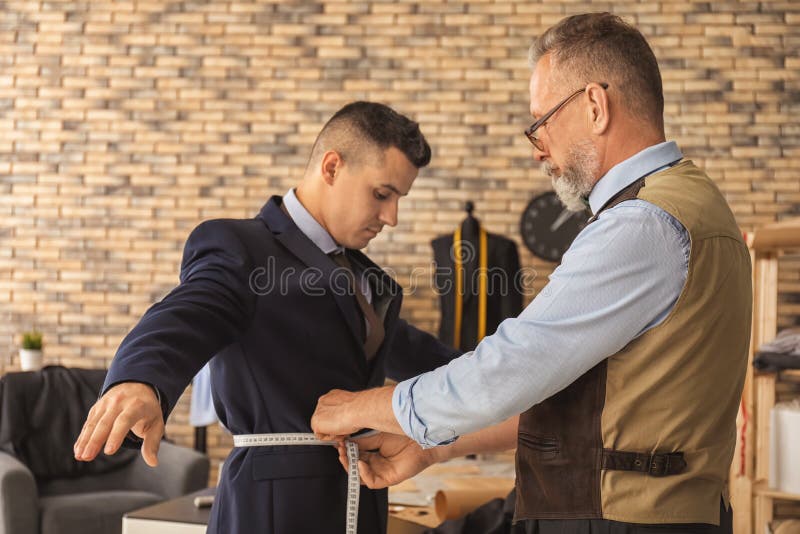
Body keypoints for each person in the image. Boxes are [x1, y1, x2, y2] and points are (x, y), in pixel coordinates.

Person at [311, 13, 751, 534]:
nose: (538, 146)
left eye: (541, 122)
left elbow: (511, 367)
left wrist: (371, 405)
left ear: (594, 105)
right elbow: (575, 395)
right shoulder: (695, 204)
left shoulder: (642, 225)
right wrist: (430, 448)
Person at [72, 101, 461, 534]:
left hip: (362, 495)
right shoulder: (241, 247)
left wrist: (505, 375)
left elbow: (412, 350)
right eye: (382, 194)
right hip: (273, 510)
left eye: (399, 199)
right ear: (331, 167)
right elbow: (190, 311)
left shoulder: (366, 278)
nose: (391, 218)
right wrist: (140, 378)